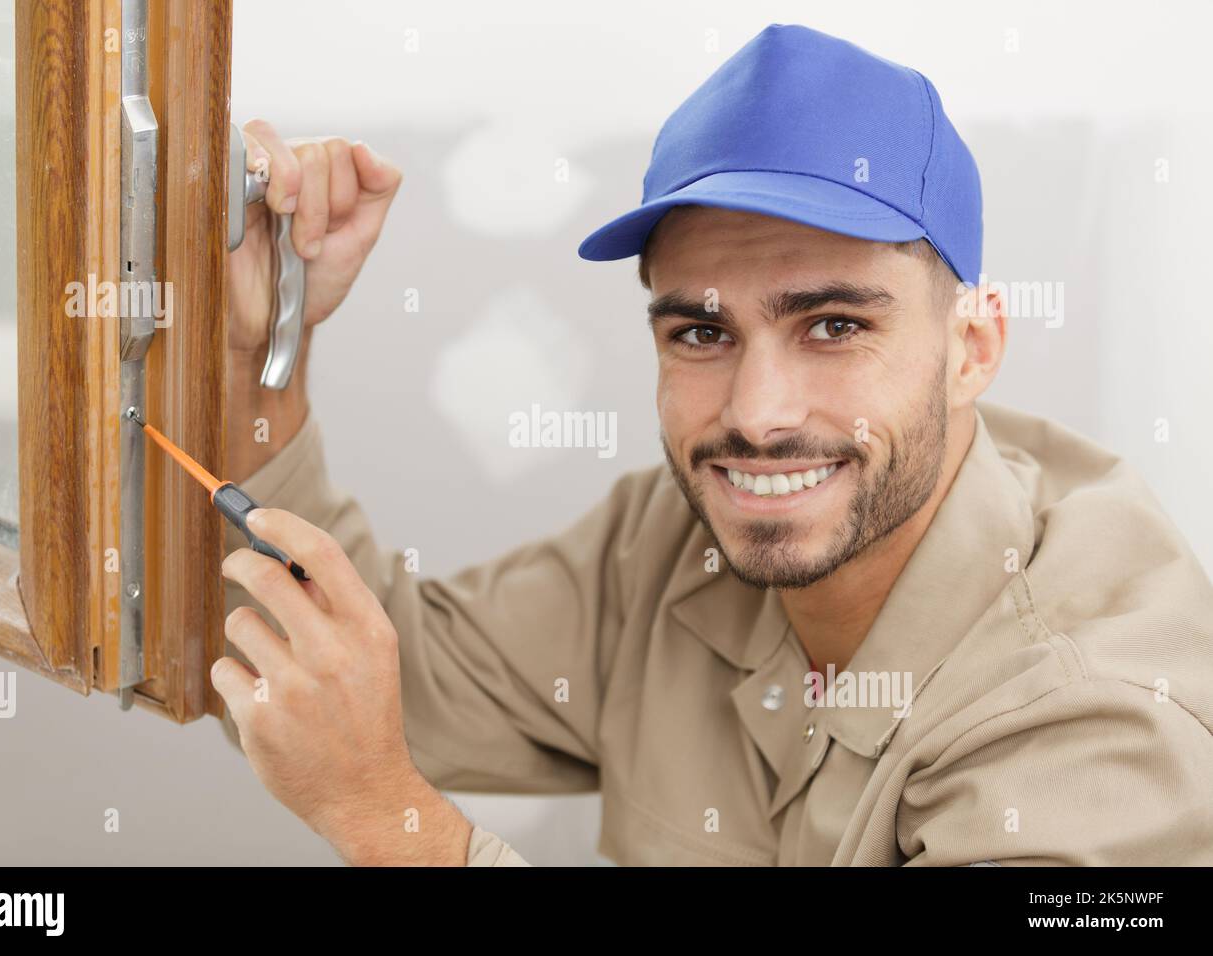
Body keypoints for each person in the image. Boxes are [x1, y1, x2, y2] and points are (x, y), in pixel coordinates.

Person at [213, 24, 1213, 866]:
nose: (758, 415)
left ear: (972, 346)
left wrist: (392, 821)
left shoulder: (1094, 724)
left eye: (833, 325)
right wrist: (263, 353)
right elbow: (395, 687)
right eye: (701, 330)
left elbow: (376, 764)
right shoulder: (670, 541)